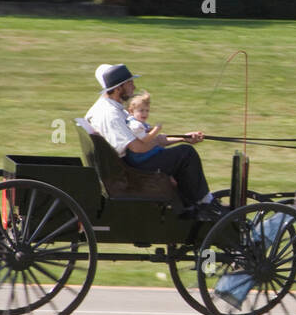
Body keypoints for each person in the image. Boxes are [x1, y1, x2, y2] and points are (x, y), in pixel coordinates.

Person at [84, 63, 222, 216]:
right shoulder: (111, 115)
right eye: (130, 83)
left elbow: (145, 141)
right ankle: (204, 203)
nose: (134, 87)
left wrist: (183, 138)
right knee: (186, 154)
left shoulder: (107, 107)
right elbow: (138, 147)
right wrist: (160, 140)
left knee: (181, 151)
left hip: (122, 165)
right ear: (118, 89)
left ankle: (189, 203)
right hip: (130, 171)